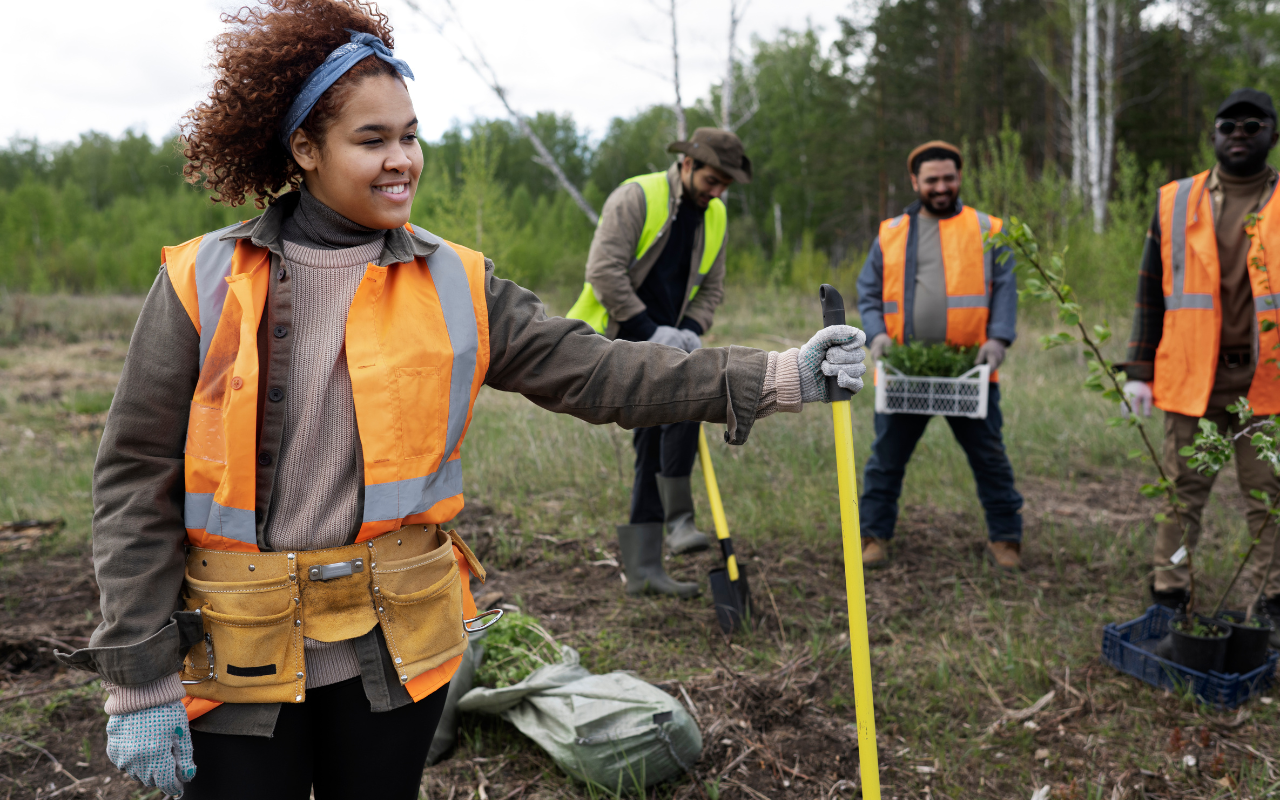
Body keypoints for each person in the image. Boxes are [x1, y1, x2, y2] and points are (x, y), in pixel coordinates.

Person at [51, 2, 869, 797]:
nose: (402, 158)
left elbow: (597, 371)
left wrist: (775, 376)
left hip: (394, 651)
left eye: (410, 135)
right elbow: (133, 475)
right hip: (236, 651)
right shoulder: (201, 277)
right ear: (304, 147)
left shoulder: (458, 281)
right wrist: (137, 672)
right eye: (371, 139)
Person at [1119, 88, 1280, 636]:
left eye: (1253, 124)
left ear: (1271, 136)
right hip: (1194, 379)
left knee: (1268, 498)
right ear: (1213, 135)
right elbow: (1149, 294)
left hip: (1269, 385)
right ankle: (1171, 590)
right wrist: (1139, 371)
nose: (1239, 131)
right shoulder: (1174, 201)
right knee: (1182, 494)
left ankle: (1268, 600)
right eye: (1228, 124)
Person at [567, 128, 750, 598]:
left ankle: (646, 567)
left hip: (673, 338)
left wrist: (690, 327)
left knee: (659, 437)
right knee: (687, 406)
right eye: (713, 179)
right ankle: (678, 520)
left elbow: (713, 286)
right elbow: (603, 271)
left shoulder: (715, 215)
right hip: (619, 337)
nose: (718, 192)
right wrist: (651, 329)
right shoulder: (636, 197)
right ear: (687, 165)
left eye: (726, 185)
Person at [856, 141, 1023, 570]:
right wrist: (875, 336)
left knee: (990, 457)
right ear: (915, 182)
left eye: (949, 177)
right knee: (885, 459)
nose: (941, 186)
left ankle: (1006, 539)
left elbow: (1005, 286)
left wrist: (998, 340)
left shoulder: (988, 228)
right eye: (931, 179)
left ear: (959, 177)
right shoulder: (890, 233)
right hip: (904, 372)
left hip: (970, 372)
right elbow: (868, 293)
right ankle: (873, 536)